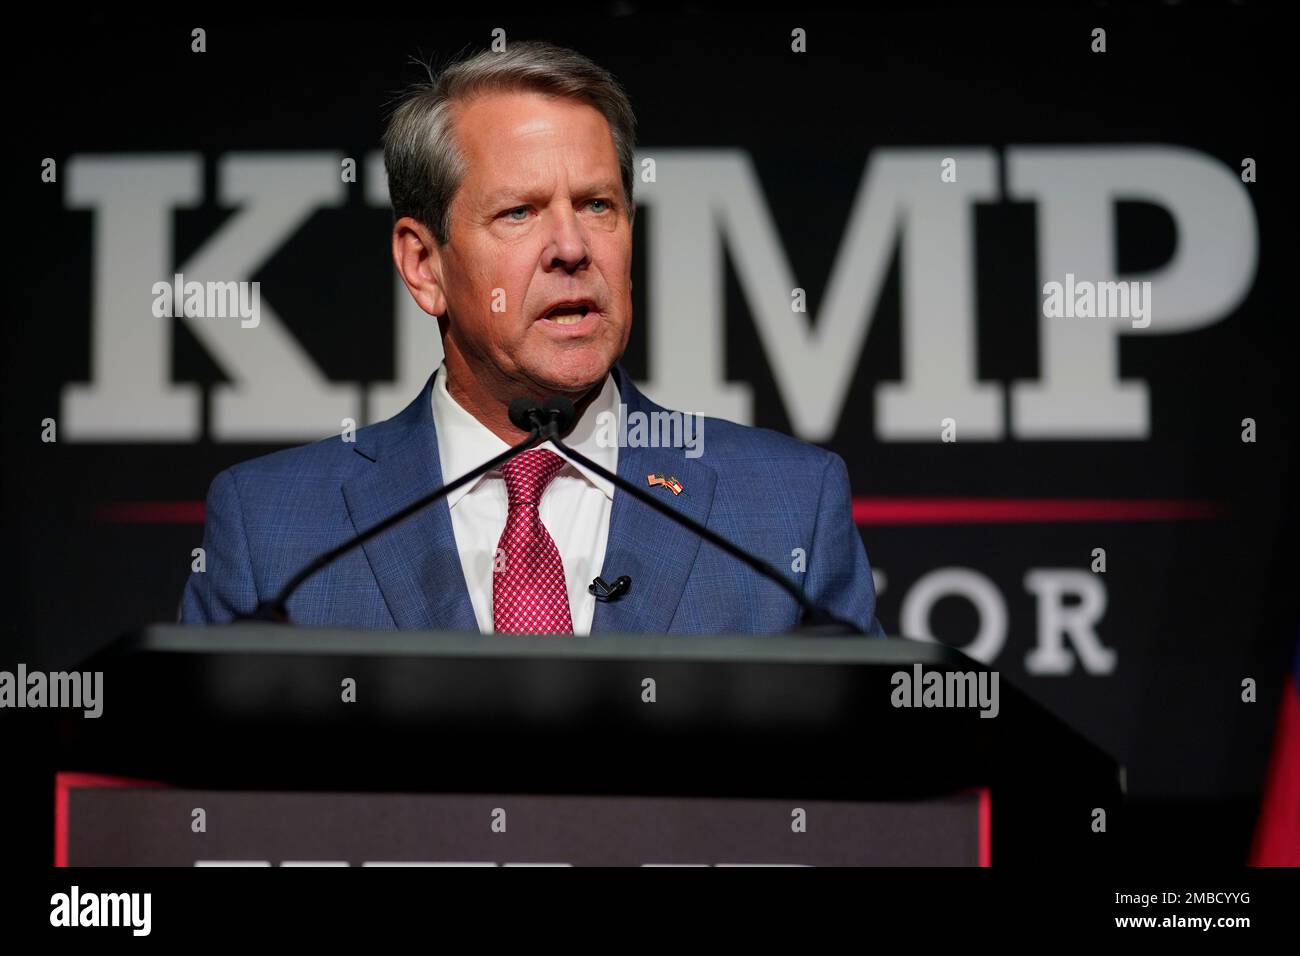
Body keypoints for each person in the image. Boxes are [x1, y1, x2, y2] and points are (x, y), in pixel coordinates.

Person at [180, 41, 884, 636]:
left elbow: (866, 790)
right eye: (519, 213)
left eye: (598, 205)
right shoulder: (274, 531)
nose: (572, 248)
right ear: (424, 266)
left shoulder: (785, 509)